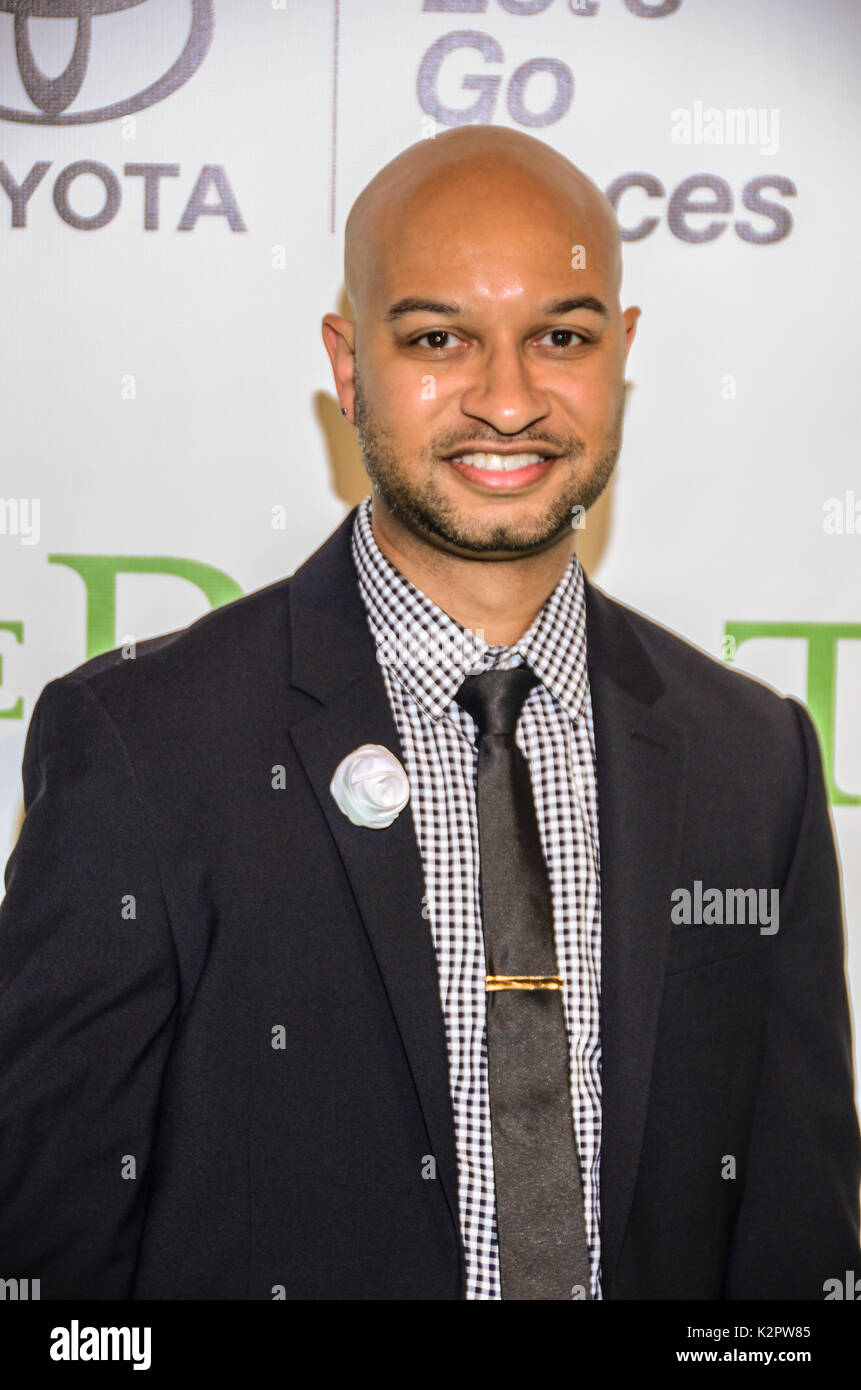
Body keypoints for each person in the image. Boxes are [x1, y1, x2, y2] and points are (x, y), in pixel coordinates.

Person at [0, 125, 858, 1300]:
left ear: (621, 354)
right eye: (438, 338)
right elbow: (48, 1254)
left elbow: (795, 1242)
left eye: (561, 336)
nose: (507, 401)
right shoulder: (143, 745)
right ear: (349, 366)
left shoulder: (754, 759)